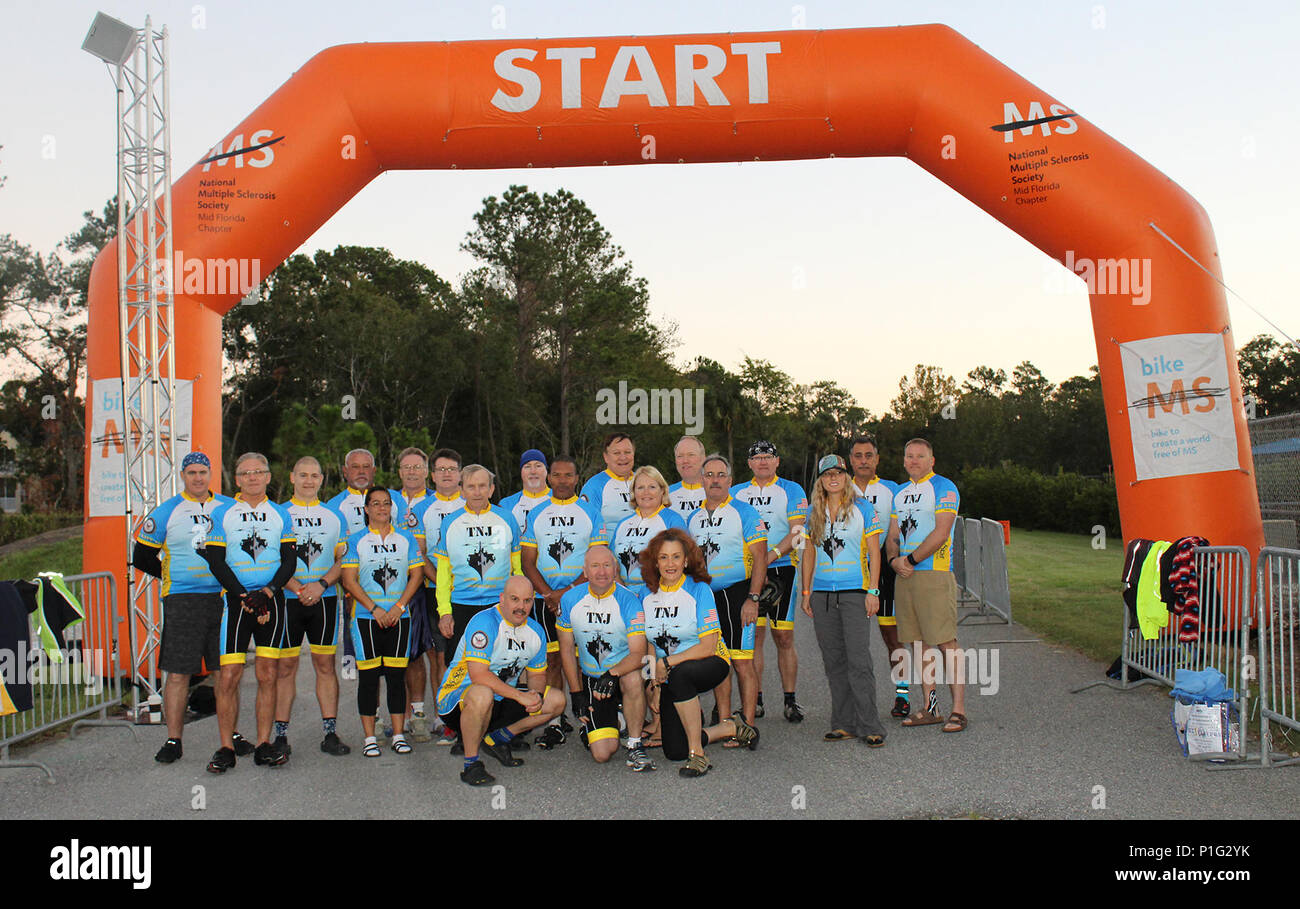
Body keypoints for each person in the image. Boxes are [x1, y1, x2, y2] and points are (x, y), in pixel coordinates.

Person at [131, 451, 235, 764]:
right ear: (183, 476)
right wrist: (170, 574)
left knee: (226, 672)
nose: (198, 478)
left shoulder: (229, 508)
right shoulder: (167, 511)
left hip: (223, 598)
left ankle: (230, 739)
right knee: (177, 674)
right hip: (182, 599)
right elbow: (142, 556)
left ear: (211, 474)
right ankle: (173, 739)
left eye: (203, 472)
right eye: (192, 473)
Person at [201, 452, 297, 773]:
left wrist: (267, 592)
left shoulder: (281, 514)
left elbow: (289, 562)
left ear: (268, 477)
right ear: (237, 479)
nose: (252, 477)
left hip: (271, 599)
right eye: (245, 473)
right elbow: (215, 560)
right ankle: (226, 746)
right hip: (236, 602)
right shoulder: (223, 512)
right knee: (229, 676)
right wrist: (242, 594)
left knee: (267, 674)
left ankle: (263, 743)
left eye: (258, 472)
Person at [639, 528, 757, 777]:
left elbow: (708, 645)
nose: (670, 563)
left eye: (676, 557)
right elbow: (649, 643)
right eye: (663, 557)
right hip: (669, 670)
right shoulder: (645, 593)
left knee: (680, 674)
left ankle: (698, 755)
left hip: (710, 661)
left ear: (686, 560)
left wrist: (667, 663)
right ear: (655, 561)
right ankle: (728, 728)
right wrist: (651, 679)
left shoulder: (699, 590)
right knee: (673, 750)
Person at [435, 575, 566, 786]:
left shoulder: (536, 631)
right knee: (482, 693)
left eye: (527, 601)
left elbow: (537, 674)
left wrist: (535, 696)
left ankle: (497, 739)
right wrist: (519, 697)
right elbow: (479, 676)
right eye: (515, 599)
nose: (521, 607)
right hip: (458, 699)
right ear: (502, 598)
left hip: (500, 698)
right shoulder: (484, 622)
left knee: (556, 700)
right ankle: (471, 764)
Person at [798, 454, 887, 747]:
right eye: (827, 474)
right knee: (834, 660)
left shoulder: (864, 508)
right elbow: (808, 552)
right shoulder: (814, 510)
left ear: (846, 476)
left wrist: (874, 590)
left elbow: (875, 552)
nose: (833, 478)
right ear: (821, 480)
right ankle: (843, 722)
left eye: (838, 472)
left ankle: (870, 724)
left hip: (855, 592)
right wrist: (806, 592)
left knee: (859, 660)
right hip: (823, 594)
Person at [520, 455, 606, 748]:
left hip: (581, 595)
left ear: (576, 478)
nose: (562, 481)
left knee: (586, 657)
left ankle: (590, 718)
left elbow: (598, 562)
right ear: (549, 478)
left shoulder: (590, 512)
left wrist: (566, 591)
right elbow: (527, 561)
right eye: (556, 475)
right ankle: (555, 722)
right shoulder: (537, 513)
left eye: (568, 475)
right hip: (546, 598)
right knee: (552, 659)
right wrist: (547, 594)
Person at [886, 439, 967, 734]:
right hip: (906, 576)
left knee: (946, 642)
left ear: (932, 460)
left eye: (920, 456)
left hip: (934, 573)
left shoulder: (944, 487)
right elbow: (893, 533)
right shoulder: (901, 492)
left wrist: (910, 559)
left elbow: (942, 531)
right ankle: (930, 707)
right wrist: (894, 560)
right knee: (918, 643)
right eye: (909, 456)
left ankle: (958, 709)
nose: (914, 460)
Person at [339, 486, 425, 756]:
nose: (381, 508)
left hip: (400, 616)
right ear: (366, 509)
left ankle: (399, 734)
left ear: (391, 507)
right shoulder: (356, 541)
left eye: (386, 503)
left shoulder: (406, 538)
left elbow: (417, 575)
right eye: (375, 504)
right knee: (369, 678)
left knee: (397, 678)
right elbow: (348, 580)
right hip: (366, 617)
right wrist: (374, 608)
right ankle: (369, 738)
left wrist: (399, 607)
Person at [685, 455, 767, 736]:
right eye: (709, 475)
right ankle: (724, 723)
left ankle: (747, 725)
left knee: (742, 661)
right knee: (718, 662)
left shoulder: (745, 512)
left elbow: (761, 559)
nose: (715, 480)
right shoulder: (692, 517)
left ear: (730, 481)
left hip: (739, 594)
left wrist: (753, 599)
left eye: (721, 475)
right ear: (701, 480)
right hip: (707, 597)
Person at [556, 546, 655, 771]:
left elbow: (639, 654)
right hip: (593, 678)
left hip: (621, 673)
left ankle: (635, 744)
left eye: (607, 565)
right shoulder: (570, 599)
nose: (602, 572)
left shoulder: (629, 600)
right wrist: (576, 693)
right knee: (602, 753)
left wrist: (613, 673)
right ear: (585, 571)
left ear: (615, 568)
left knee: (632, 680)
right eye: (595, 566)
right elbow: (566, 650)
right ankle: (614, 720)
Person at [277, 455, 351, 756]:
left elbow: (344, 560)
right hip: (287, 599)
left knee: (324, 665)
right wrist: (296, 587)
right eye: (303, 475)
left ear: (322, 479)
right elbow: (272, 560)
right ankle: (280, 733)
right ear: (292, 477)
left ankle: (330, 733)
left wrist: (320, 585)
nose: (309, 481)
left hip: (324, 599)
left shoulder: (335, 516)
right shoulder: (278, 514)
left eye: (315, 476)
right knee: (286, 667)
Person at [730, 440, 809, 722]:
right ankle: (757, 699)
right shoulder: (736, 492)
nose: (763, 462)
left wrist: (772, 555)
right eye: (757, 458)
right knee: (755, 637)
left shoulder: (791, 489)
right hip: (748, 572)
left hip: (781, 568)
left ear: (777, 462)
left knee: (784, 636)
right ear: (749, 463)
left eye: (768, 457)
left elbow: (798, 532)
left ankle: (790, 699)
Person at [432, 465, 522, 668]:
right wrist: (445, 612)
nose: (477, 492)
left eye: (482, 486)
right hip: (461, 605)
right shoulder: (450, 522)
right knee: (460, 666)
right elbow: (443, 575)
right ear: (462, 490)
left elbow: (518, 570)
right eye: (471, 486)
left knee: (503, 664)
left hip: (500, 604)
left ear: (491, 489)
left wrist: (519, 605)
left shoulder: (507, 519)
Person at [326, 449, 406, 670]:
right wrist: (349, 586)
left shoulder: (395, 499)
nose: (361, 472)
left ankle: (410, 705)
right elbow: (335, 554)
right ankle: (373, 704)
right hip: (355, 589)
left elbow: (406, 542)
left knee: (398, 660)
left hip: (394, 590)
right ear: (345, 471)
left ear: (374, 470)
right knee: (365, 662)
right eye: (355, 467)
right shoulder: (334, 506)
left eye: (365, 467)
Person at [849, 435, 908, 718]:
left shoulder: (892, 490)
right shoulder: (838, 487)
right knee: (850, 640)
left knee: (891, 635)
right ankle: (853, 700)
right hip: (848, 571)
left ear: (877, 459)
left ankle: (902, 695)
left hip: (882, 569)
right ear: (850, 460)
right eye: (858, 455)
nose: (863, 460)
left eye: (868, 455)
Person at [411, 447, 465, 745]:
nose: (446, 474)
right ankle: (445, 717)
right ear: (432, 475)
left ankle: (475, 714)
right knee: (441, 655)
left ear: (460, 473)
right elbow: (420, 555)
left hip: (471, 593)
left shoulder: (471, 502)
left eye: (451, 469)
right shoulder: (421, 509)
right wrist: (443, 583)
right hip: (436, 591)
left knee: (472, 653)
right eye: (440, 469)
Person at [394, 446, 437, 742]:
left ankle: (442, 714)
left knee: (438, 653)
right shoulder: (389, 501)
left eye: (417, 467)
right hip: (398, 588)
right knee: (407, 655)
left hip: (432, 585)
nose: (412, 472)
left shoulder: (437, 500)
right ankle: (412, 714)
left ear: (426, 471)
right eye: (406, 467)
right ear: (399, 471)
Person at [610, 466, 687, 598]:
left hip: (659, 595)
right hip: (625, 595)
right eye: (640, 487)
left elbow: (681, 562)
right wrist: (624, 592)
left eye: (652, 487)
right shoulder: (623, 523)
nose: (646, 492)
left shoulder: (672, 520)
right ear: (634, 492)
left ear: (662, 490)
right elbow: (610, 561)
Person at [580, 432, 635, 537]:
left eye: (627, 452)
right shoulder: (594, 486)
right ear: (606, 457)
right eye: (616, 453)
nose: (623, 457)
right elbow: (585, 526)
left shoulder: (645, 482)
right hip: (608, 550)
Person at [500, 449, 552, 534]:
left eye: (538, 466)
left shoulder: (562, 501)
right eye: (527, 467)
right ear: (521, 472)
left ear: (546, 471)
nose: (533, 471)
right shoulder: (506, 505)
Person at [668, 435, 707, 519]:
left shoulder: (720, 493)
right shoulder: (664, 495)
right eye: (680, 456)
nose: (685, 461)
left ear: (703, 458)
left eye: (691, 455)